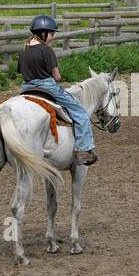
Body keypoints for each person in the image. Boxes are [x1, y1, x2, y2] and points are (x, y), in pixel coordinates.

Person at [18, 14, 97, 166]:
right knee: (80, 112)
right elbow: (57, 77)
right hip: (47, 87)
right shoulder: (47, 50)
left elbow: (22, 72)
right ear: (43, 33)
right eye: (52, 33)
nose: (53, 37)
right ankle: (83, 150)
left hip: (26, 87)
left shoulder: (23, 50)